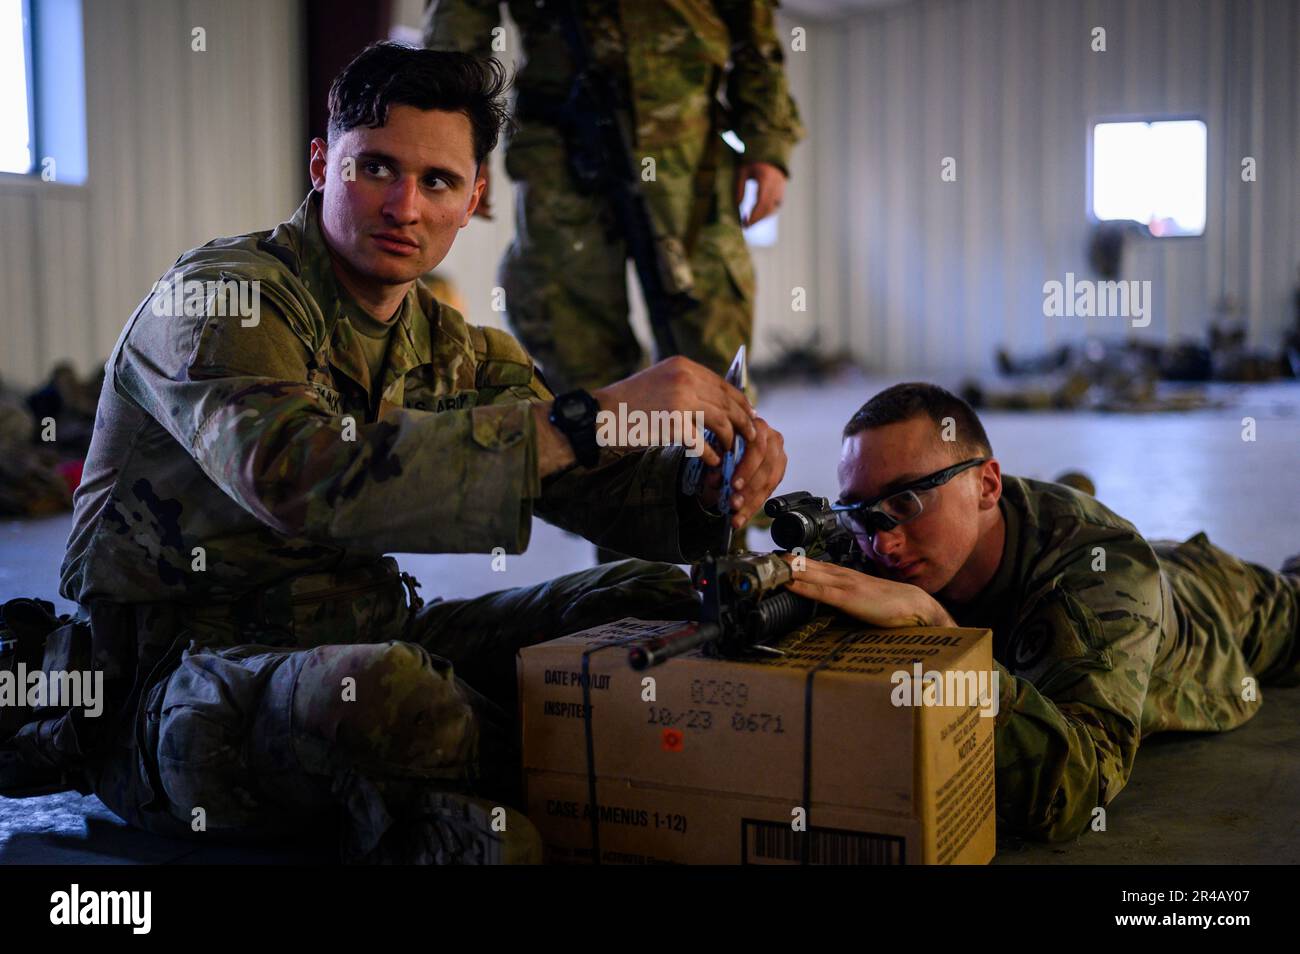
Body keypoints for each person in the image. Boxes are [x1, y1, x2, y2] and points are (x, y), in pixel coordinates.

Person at [44, 43, 787, 864]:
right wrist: (590, 415)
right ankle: (565, 781)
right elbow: (300, 476)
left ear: (472, 199)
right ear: (323, 164)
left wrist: (710, 484)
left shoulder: (452, 344)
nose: (404, 205)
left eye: (436, 182)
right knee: (389, 697)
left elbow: (592, 486)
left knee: (649, 599)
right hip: (180, 686)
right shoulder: (224, 297)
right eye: (376, 169)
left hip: (374, 633)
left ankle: (488, 782)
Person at [783, 383, 1300, 842]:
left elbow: (1074, 794)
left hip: (1219, 605)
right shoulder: (877, 542)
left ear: (987, 485)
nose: (882, 541)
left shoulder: (1106, 575)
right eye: (859, 511)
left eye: (908, 502)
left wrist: (942, 636)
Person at [423, 0, 804, 392]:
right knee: (574, 341)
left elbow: (755, 32)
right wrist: (455, 143)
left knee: (709, 338)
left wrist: (768, 141)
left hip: (690, 143)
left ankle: (711, 448)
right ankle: (603, 448)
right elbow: (461, 14)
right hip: (560, 137)